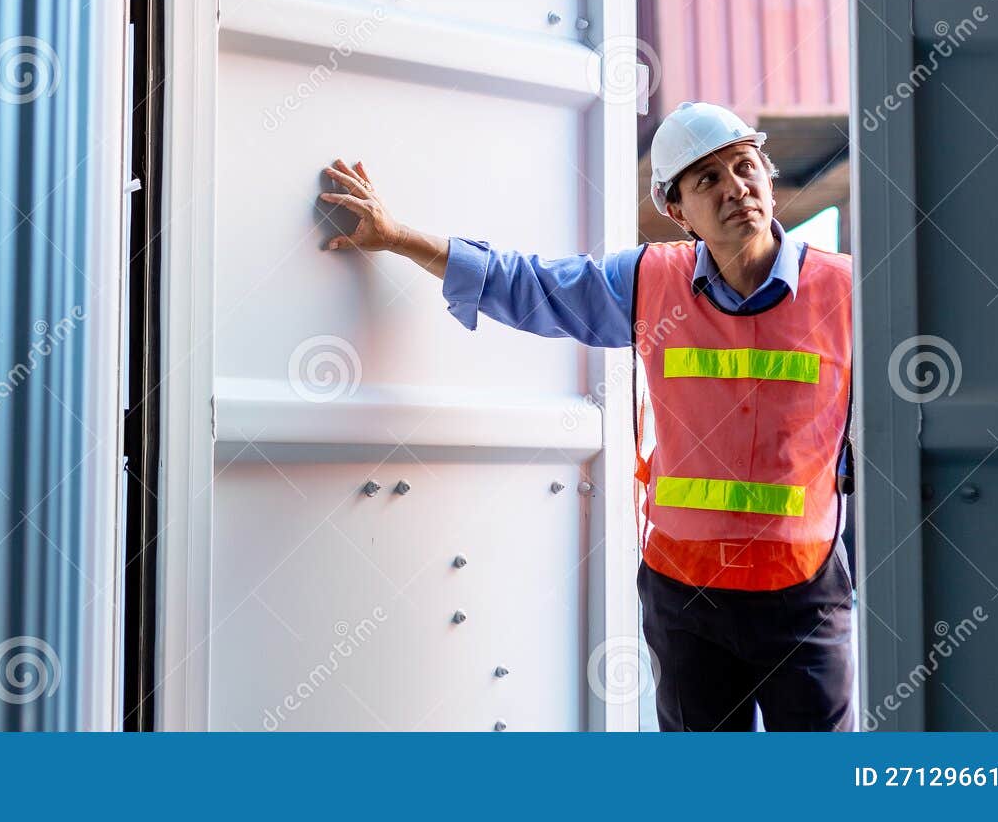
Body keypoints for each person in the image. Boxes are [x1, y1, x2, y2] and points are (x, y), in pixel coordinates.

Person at [320, 101, 855, 732]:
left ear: (766, 175)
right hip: (686, 597)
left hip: (802, 594)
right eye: (707, 179)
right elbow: (527, 285)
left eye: (745, 167)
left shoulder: (847, 291)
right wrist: (396, 236)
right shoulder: (649, 282)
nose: (736, 188)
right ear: (676, 210)